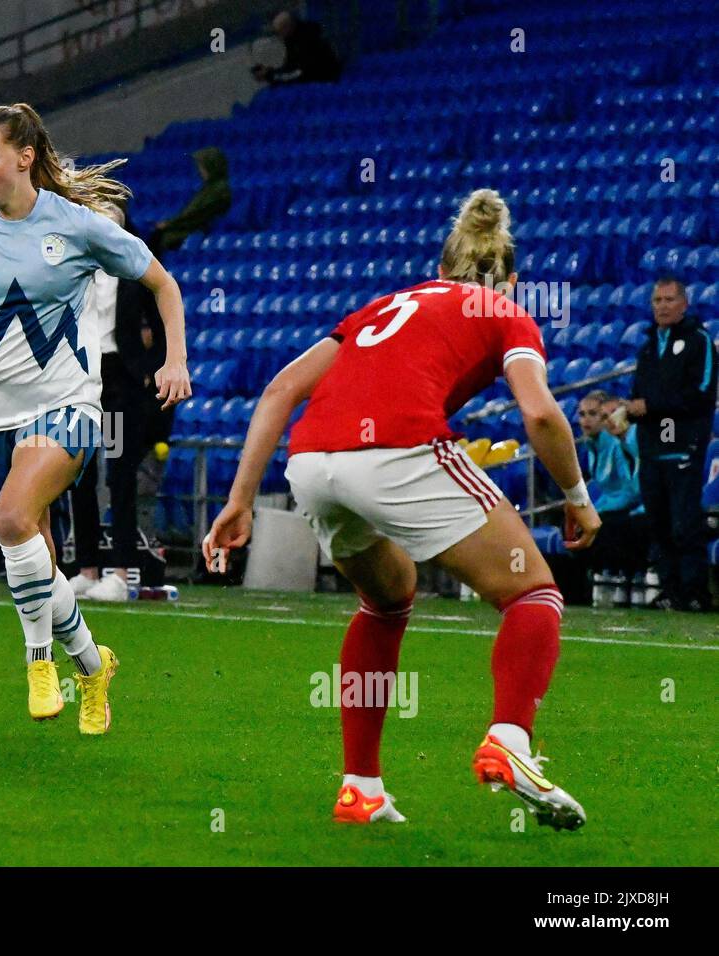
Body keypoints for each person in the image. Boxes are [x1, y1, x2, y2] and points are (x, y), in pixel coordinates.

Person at [204, 189, 598, 829]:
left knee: (387, 599)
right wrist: (578, 500)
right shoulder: (504, 311)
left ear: (439, 270)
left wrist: (239, 500)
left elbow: (279, 390)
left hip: (312, 462)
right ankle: (511, 740)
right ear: (514, 281)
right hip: (396, 449)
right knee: (534, 595)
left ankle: (361, 787)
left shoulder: (381, 305)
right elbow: (540, 414)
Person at [0, 102, 192, 734]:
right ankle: (93, 666)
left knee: (17, 519)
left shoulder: (76, 225)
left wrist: (174, 359)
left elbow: (164, 284)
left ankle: (38, 663)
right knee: (36, 560)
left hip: (66, 403)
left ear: (24, 158)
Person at [69, 200, 169, 602]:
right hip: (81, 376)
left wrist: (153, 367)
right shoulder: (76, 268)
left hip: (118, 380)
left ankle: (122, 570)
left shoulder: (135, 268)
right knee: (78, 472)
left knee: (119, 472)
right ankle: (87, 569)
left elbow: (162, 317)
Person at [627, 276, 717, 612]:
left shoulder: (698, 341)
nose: (662, 307)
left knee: (684, 522)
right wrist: (631, 410)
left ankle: (695, 592)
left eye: (668, 300)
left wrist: (651, 406)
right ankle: (670, 589)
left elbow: (702, 393)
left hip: (683, 443)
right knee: (659, 523)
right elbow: (639, 392)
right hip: (653, 446)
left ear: (684, 304)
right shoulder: (649, 346)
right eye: (657, 301)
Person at [576, 391, 648, 594]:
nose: (586, 420)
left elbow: (631, 488)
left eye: (592, 414)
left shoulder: (619, 443)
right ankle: (583, 586)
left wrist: (599, 509)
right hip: (618, 504)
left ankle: (616, 579)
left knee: (606, 526)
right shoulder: (591, 446)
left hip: (633, 504)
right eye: (581, 414)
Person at [148, 147, 231, 255]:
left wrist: (170, 224)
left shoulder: (218, 190)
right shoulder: (209, 188)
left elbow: (196, 214)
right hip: (193, 226)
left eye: (202, 167)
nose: (200, 171)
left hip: (198, 228)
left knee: (160, 238)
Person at [250, 9, 342, 86]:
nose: (279, 36)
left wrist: (270, 75)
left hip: (323, 78)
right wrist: (271, 72)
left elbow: (299, 72)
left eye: (280, 31)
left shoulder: (307, 40)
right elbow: (291, 65)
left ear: (287, 27)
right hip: (312, 77)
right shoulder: (292, 39)